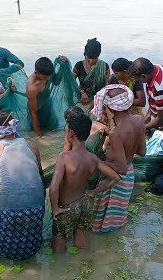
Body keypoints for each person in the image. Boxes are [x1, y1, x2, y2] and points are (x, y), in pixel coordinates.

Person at [50, 107, 120, 253]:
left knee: (59, 241)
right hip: (84, 203)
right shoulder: (92, 158)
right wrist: (93, 192)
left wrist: (55, 209)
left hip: (67, 207)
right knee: (80, 234)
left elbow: (54, 187)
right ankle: (85, 262)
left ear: (70, 133)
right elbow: (115, 177)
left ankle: (59, 270)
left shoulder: (64, 157)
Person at [0, 113, 45, 264]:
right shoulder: (32, 145)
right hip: (38, 207)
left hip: (10, 209)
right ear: (13, 128)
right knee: (28, 241)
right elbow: (40, 175)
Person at [89, 84, 143, 233]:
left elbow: (121, 169)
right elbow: (142, 151)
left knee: (102, 219)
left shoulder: (115, 133)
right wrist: (127, 147)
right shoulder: (139, 120)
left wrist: (97, 161)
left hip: (114, 179)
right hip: (130, 174)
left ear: (110, 109)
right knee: (117, 216)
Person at [74, 38, 110, 105]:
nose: (91, 61)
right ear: (85, 55)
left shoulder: (104, 66)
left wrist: (97, 99)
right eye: (89, 58)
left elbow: (107, 87)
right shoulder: (78, 65)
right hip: (82, 99)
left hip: (99, 100)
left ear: (98, 56)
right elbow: (71, 83)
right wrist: (82, 93)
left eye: (94, 59)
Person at [26, 57, 55, 133]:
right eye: (45, 77)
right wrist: (38, 134)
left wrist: (62, 64)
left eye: (49, 76)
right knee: (36, 130)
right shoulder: (32, 87)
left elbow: (56, 81)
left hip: (46, 103)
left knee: (52, 127)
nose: (48, 79)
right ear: (36, 73)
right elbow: (33, 112)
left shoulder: (47, 73)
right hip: (36, 109)